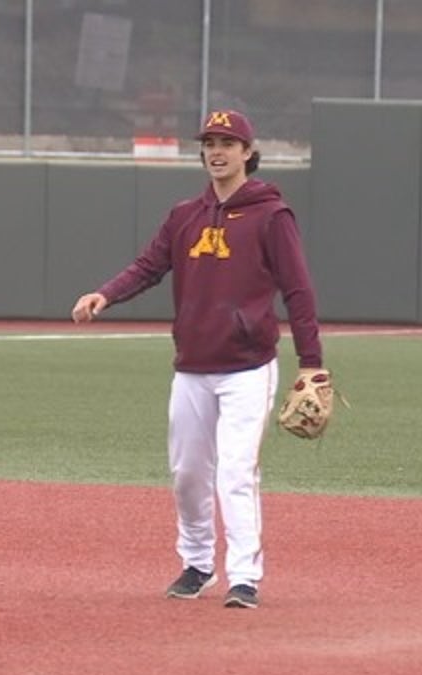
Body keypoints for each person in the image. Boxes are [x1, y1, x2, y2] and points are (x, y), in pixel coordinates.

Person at [70, 109, 324, 608]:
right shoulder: (184, 215)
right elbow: (148, 266)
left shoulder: (272, 216)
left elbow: (298, 291)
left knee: (235, 471)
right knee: (188, 472)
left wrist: (311, 363)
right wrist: (106, 294)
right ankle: (198, 564)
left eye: (228, 142)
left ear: (248, 152)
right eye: (209, 142)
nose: (216, 150)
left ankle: (245, 576)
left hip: (248, 367)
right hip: (192, 366)